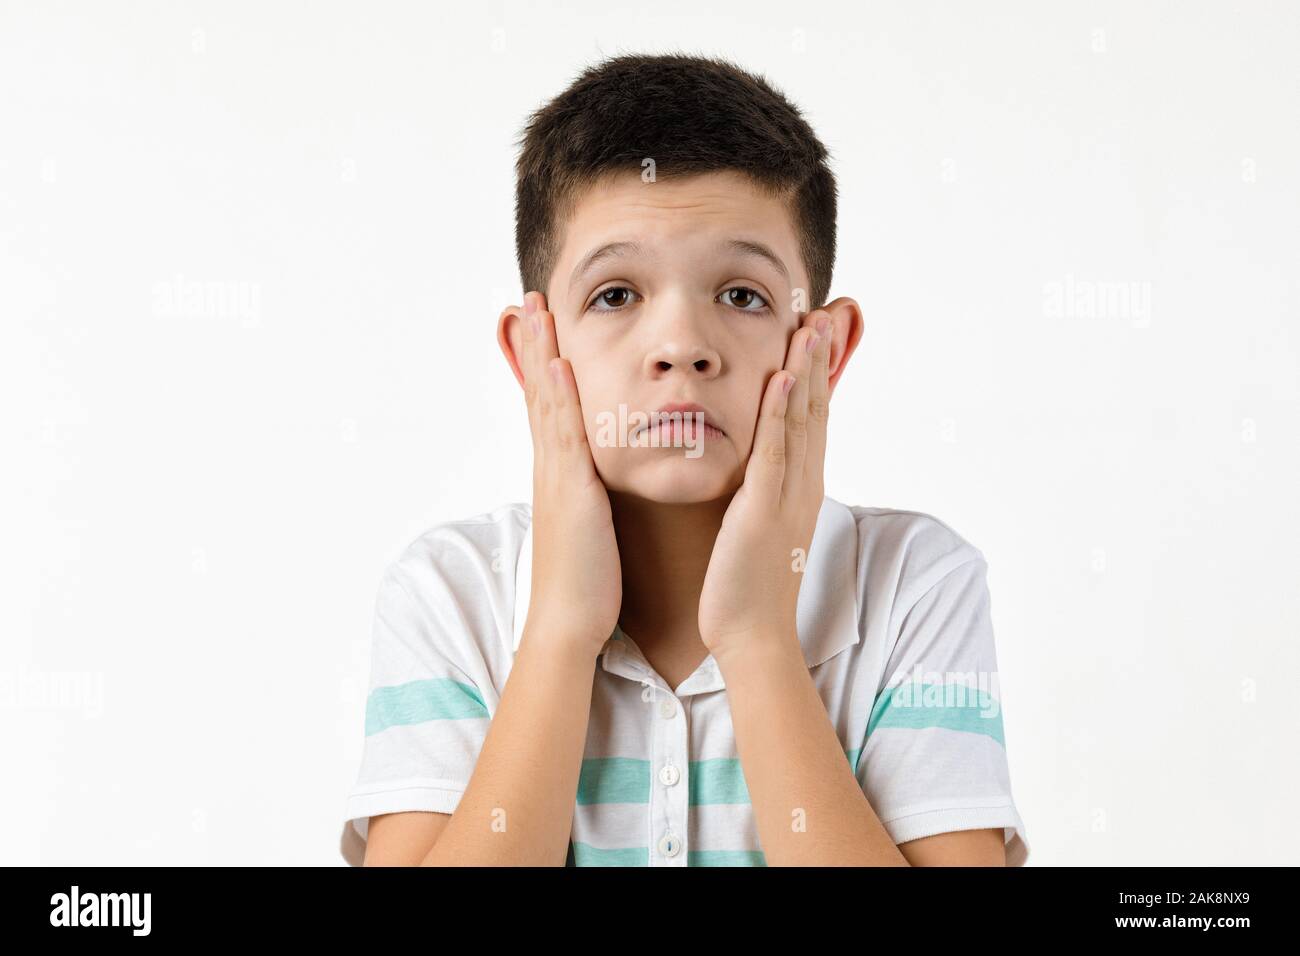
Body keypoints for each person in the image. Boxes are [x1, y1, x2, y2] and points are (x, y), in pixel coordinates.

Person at [340, 52, 1029, 867]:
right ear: (534, 353)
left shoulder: (914, 583)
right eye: (616, 294)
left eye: (742, 295)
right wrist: (560, 627)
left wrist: (758, 637)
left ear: (823, 349)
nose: (681, 347)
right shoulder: (453, 593)